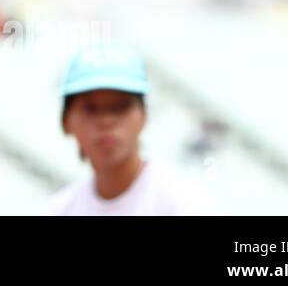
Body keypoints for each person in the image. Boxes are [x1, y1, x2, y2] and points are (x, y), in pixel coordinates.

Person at [46, 42, 214, 215]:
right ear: (66, 122)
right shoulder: (59, 209)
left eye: (120, 107)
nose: (106, 121)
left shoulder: (184, 202)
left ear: (144, 116)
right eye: (91, 108)